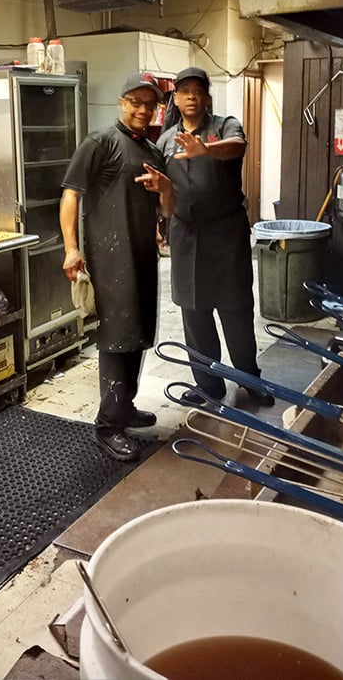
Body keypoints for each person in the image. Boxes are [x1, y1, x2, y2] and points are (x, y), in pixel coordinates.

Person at [60, 74, 174, 462]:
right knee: (116, 335)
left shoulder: (152, 150)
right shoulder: (101, 142)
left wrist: (164, 192)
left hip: (142, 254)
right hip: (110, 256)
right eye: (135, 102)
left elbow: (164, 207)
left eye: (150, 105)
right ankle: (108, 425)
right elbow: (71, 195)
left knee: (138, 332)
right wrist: (71, 248)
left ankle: (125, 406)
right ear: (122, 102)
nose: (143, 110)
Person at [156, 66, 274, 407]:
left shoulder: (225, 126)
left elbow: (238, 146)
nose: (192, 96)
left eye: (198, 91)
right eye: (185, 91)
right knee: (194, 314)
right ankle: (208, 385)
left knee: (236, 309)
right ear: (176, 98)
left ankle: (250, 380)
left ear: (207, 97)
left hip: (226, 234)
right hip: (186, 236)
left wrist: (205, 149)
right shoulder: (165, 141)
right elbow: (163, 190)